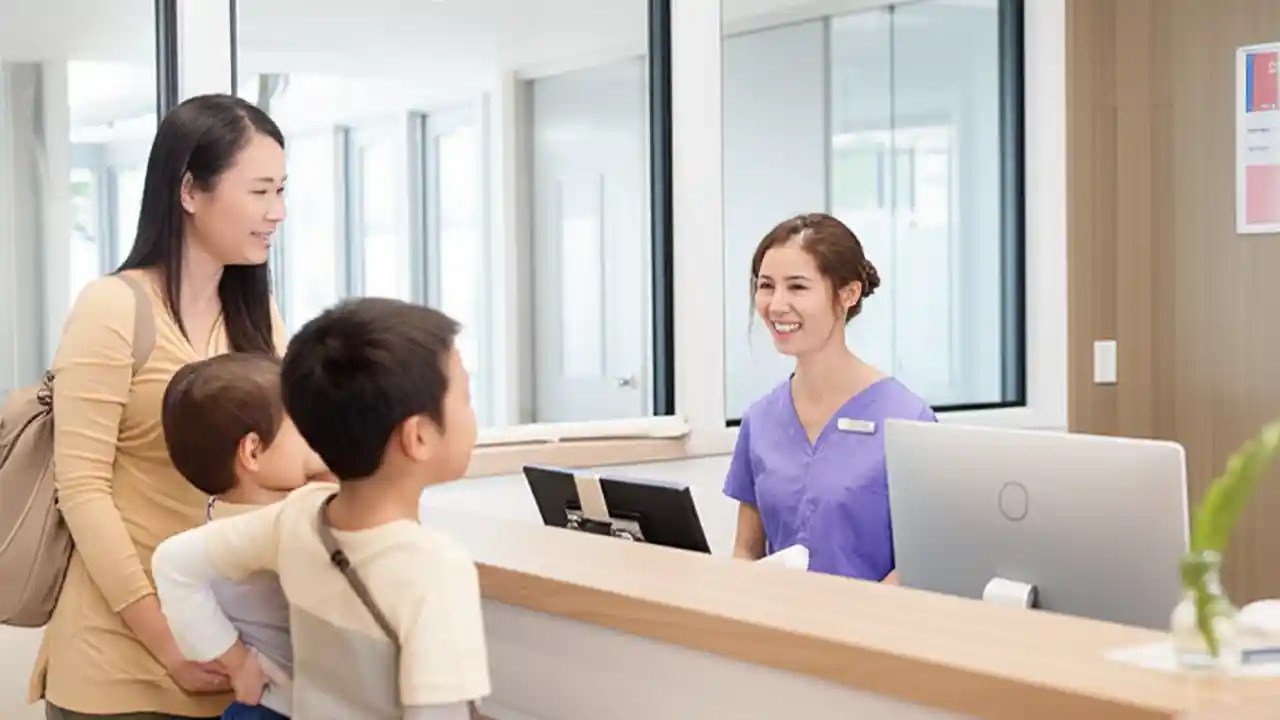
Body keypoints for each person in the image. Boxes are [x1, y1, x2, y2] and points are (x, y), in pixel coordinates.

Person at [33, 94, 299, 719]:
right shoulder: (113, 308)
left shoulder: (259, 321)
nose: (278, 212)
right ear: (189, 191)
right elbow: (83, 491)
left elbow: (292, 460)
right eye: (260, 192)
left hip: (237, 669)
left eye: (282, 191)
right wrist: (173, 645)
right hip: (121, 674)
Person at [151, 298, 490, 720]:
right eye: (466, 398)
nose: (473, 414)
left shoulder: (294, 518)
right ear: (418, 436)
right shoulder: (438, 569)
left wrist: (236, 661)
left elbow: (173, 562)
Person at [724, 213, 937, 582]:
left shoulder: (907, 419)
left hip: (870, 631)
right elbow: (746, 550)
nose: (776, 304)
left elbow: (921, 561)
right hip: (777, 630)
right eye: (766, 286)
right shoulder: (760, 421)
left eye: (797, 287)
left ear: (848, 294)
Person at [160, 353, 318, 719]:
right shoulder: (275, 521)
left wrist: (234, 658)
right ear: (252, 451)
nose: (315, 440)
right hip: (274, 706)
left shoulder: (222, 509)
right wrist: (238, 663)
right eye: (302, 429)